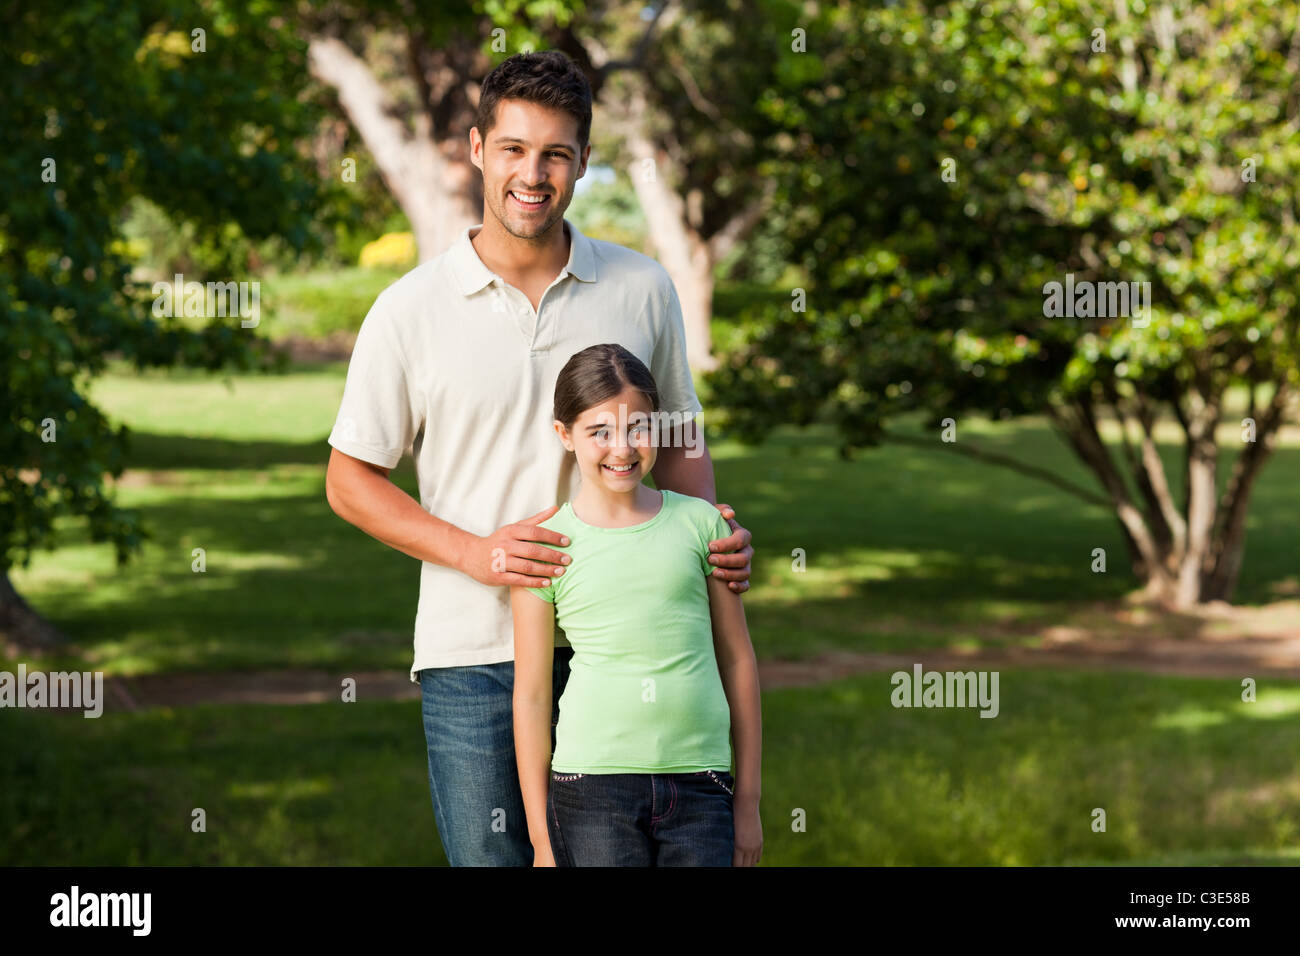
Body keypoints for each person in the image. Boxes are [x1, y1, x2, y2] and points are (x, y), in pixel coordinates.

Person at [323, 49, 754, 866]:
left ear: (585, 162)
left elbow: (677, 442)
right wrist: (477, 553)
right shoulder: (408, 309)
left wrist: (714, 539)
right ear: (477, 148)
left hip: (631, 647)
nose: (534, 173)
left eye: (556, 153)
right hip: (475, 652)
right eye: (515, 148)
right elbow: (350, 479)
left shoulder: (641, 288)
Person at [512, 344, 763, 866]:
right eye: (599, 431)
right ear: (564, 435)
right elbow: (533, 695)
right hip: (592, 788)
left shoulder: (702, 526)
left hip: (701, 783)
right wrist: (541, 842)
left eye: (638, 428)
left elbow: (738, 660)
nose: (622, 448)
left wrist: (749, 803)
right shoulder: (547, 545)